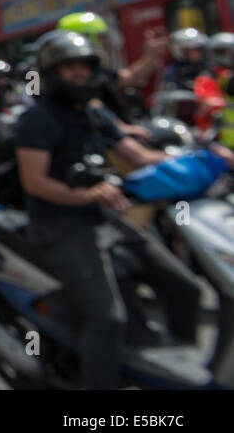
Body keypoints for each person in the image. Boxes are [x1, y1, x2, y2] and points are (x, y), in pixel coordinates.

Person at [13, 32, 206, 389]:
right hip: (59, 224)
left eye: (85, 66)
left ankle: (178, 376)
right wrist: (87, 194)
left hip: (104, 218)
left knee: (185, 288)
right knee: (107, 319)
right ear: (51, 72)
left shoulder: (94, 113)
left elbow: (139, 156)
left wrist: (207, 158)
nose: (80, 74)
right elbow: (35, 183)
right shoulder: (37, 119)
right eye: (69, 67)